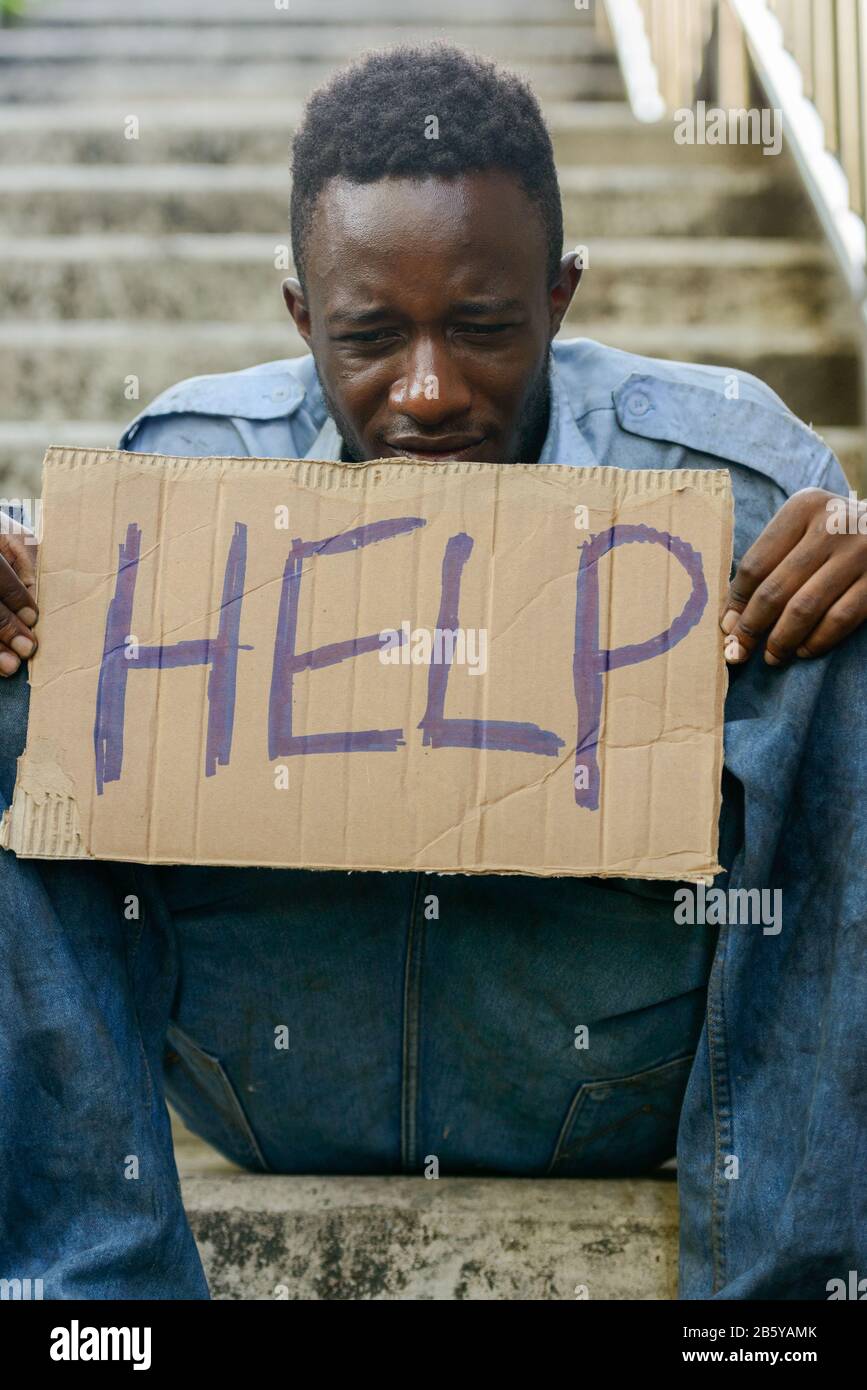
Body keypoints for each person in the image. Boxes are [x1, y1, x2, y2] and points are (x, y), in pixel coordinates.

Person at [1, 45, 865, 1301]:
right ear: (300, 316)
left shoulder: (723, 480)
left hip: (604, 1078)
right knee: (16, 650)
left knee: (847, 623)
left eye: (481, 329)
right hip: (272, 1078)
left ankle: (790, 1308)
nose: (426, 391)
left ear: (560, 298)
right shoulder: (190, 474)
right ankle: (90, 1299)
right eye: (367, 337)